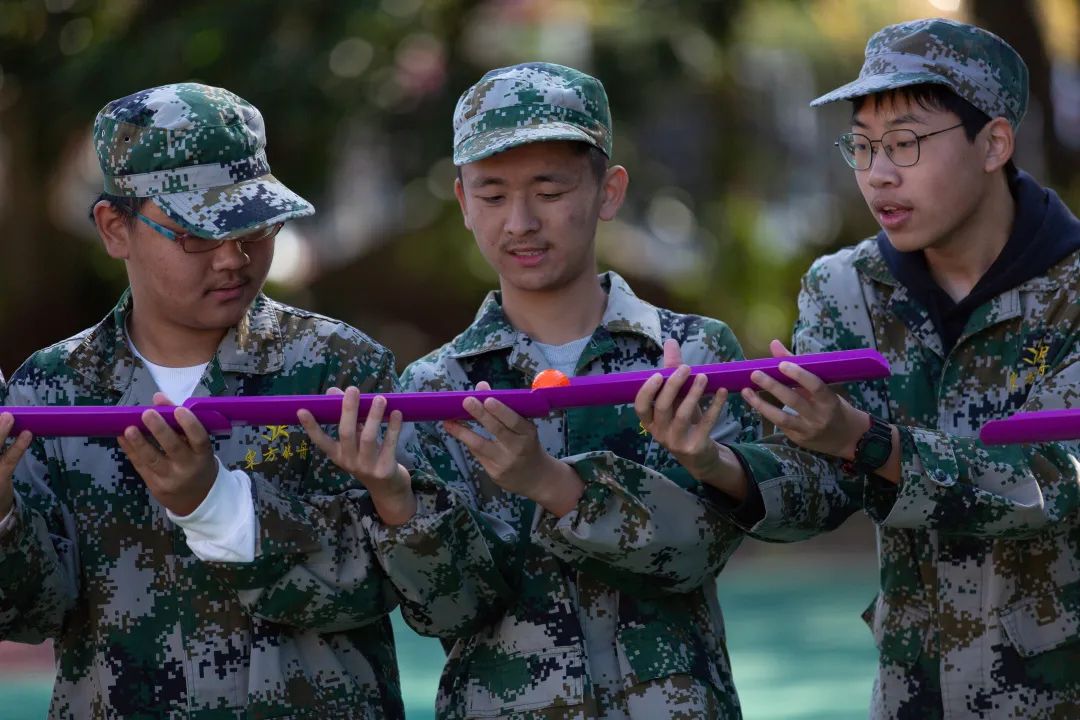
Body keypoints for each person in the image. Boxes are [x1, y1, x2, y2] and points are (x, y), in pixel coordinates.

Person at [0, 83, 504, 719]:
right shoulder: (54, 390)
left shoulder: (337, 368)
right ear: (115, 227)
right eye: (197, 235)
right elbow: (28, 611)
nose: (233, 259)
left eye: (254, 227)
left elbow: (433, 596)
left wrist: (219, 504)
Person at [637, 18, 1080, 719]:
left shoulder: (1072, 289)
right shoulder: (844, 287)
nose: (878, 173)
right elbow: (820, 483)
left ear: (993, 143)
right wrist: (717, 462)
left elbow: (1051, 484)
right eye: (863, 146)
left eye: (905, 144)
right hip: (912, 694)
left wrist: (866, 440)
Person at [385, 62, 759, 719]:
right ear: (463, 201)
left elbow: (695, 553)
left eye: (550, 190)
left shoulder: (689, 356)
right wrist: (394, 503)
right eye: (493, 194)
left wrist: (547, 480)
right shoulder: (436, 387)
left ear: (609, 191)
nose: (521, 222)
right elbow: (442, 608)